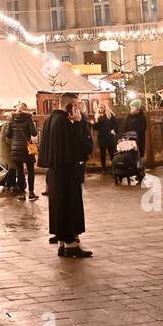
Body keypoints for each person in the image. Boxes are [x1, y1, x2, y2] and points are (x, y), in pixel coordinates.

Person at [46, 96, 92, 258]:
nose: (77, 108)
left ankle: (63, 244)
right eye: (76, 104)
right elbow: (79, 145)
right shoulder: (65, 122)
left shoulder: (51, 119)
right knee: (69, 206)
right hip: (67, 171)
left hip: (55, 171)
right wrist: (79, 122)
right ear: (70, 106)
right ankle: (71, 246)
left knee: (60, 207)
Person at [6, 103, 39, 199]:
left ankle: (21, 193)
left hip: (16, 148)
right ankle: (31, 192)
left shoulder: (11, 119)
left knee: (20, 172)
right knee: (31, 171)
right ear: (26, 109)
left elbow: (8, 134)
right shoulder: (29, 118)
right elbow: (34, 133)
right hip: (27, 148)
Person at [94, 104, 119, 172]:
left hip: (109, 137)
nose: (100, 109)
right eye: (99, 107)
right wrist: (96, 120)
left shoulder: (110, 115)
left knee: (112, 153)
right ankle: (103, 168)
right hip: (101, 137)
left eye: (102, 107)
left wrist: (113, 130)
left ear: (105, 108)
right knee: (103, 153)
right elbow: (96, 128)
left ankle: (115, 168)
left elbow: (116, 124)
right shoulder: (97, 116)